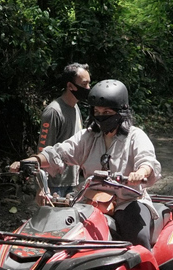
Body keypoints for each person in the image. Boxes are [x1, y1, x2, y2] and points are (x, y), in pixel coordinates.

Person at [11, 79, 161, 250]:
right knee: (60, 231)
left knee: (138, 237)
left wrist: (141, 172)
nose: (100, 116)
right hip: (89, 201)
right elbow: (59, 152)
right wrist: (34, 161)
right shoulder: (88, 137)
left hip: (126, 201)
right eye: (96, 111)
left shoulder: (135, 136)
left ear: (121, 112)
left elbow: (147, 160)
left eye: (107, 112)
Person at [37, 62, 91, 196]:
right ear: (70, 86)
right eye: (84, 84)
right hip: (55, 185)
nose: (88, 88)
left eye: (89, 83)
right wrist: (41, 187)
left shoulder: (76, 107)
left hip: (74, 182)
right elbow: (43, 151)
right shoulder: (53, 112)